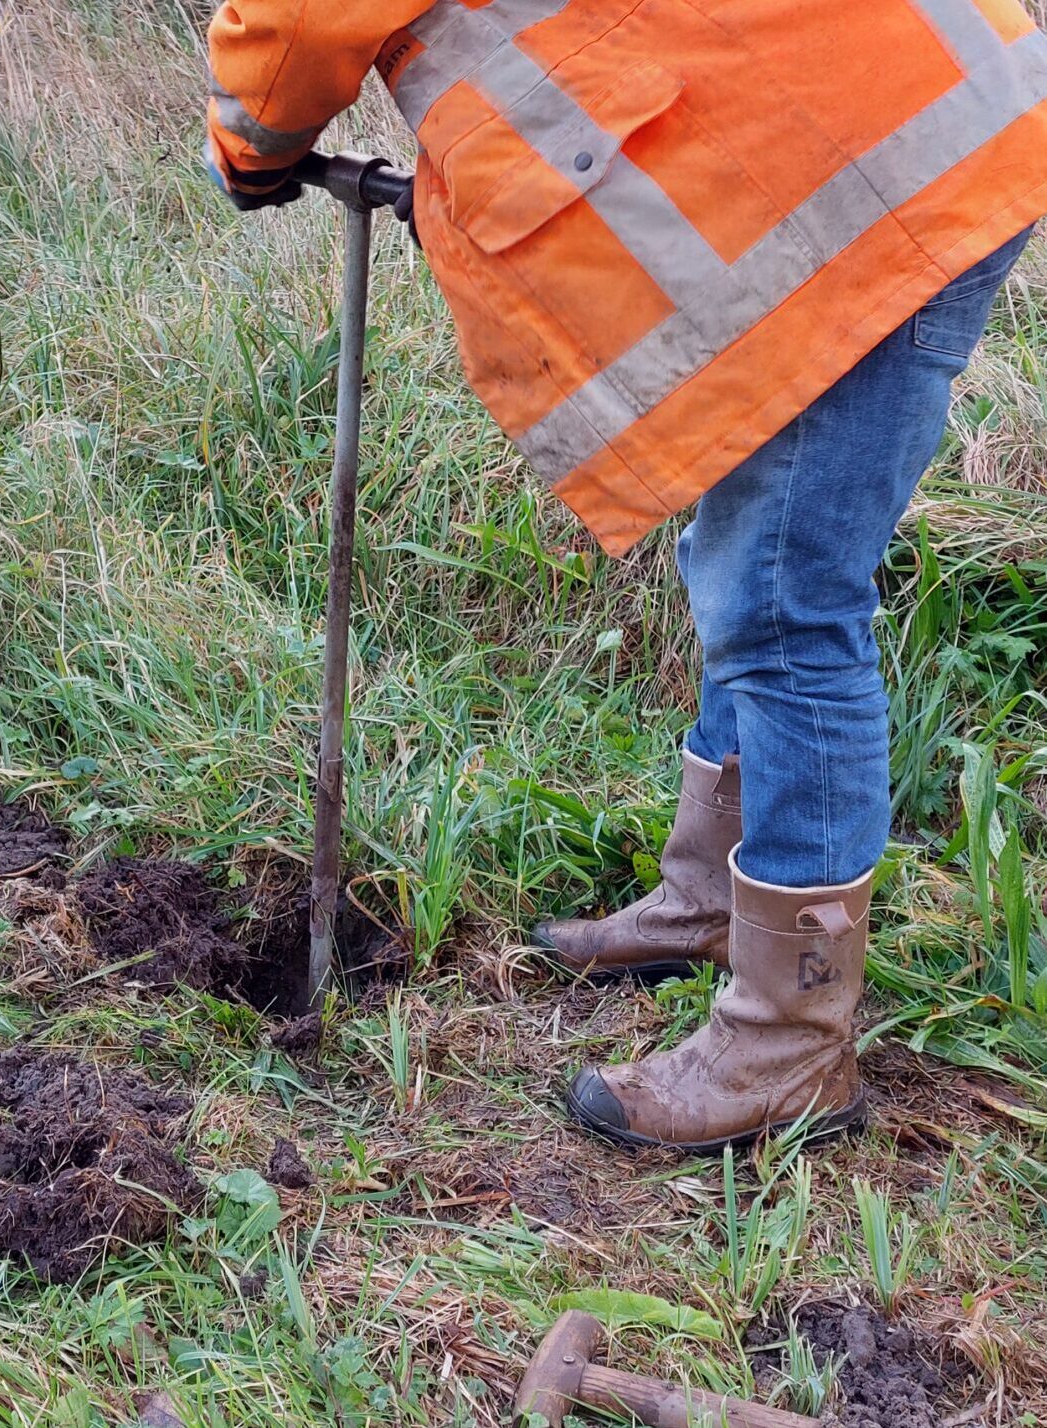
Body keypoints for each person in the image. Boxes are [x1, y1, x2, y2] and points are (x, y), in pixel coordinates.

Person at [203, 0, 1047, 1152]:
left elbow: (297, 24)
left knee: (786, 601)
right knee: (747, 550)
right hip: (877, 114)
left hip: (877, 150)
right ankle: (711, 898)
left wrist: (249, 147)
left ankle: (789, 1041)